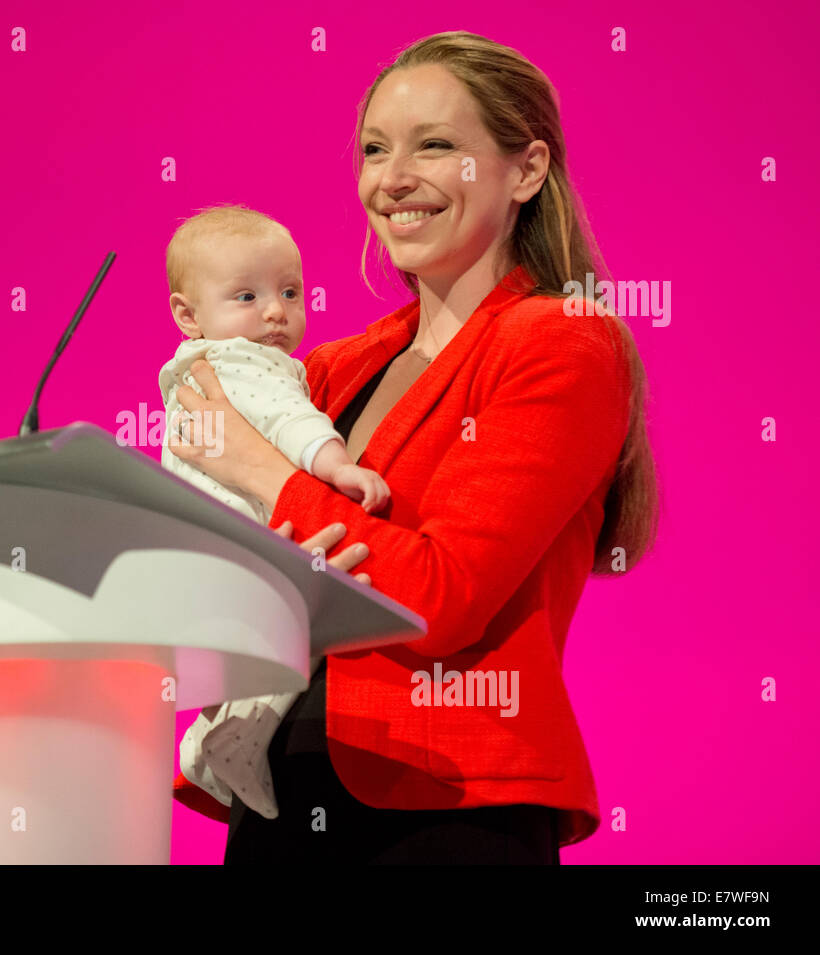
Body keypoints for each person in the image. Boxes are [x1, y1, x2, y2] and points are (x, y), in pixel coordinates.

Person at [168, 30, 659, 864]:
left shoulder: (561, 341)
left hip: (444, 800)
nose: (390, 179)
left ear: (527, 171)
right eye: (373, 149)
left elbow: (444, 594)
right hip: (283, 783)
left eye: (435, 146)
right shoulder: (329, 368)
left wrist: (255, 465)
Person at [159, 204, 390, 820]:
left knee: (258, 647)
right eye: (247, 295)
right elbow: (294, 422)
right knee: (304, 625)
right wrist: (339, 468)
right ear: (189, 315)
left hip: (199, 544)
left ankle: (210, 745)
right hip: (249, 537)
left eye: (290, 291)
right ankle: (229, 745)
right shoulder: (245, 364)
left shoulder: (191, 372)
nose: (275, 312)